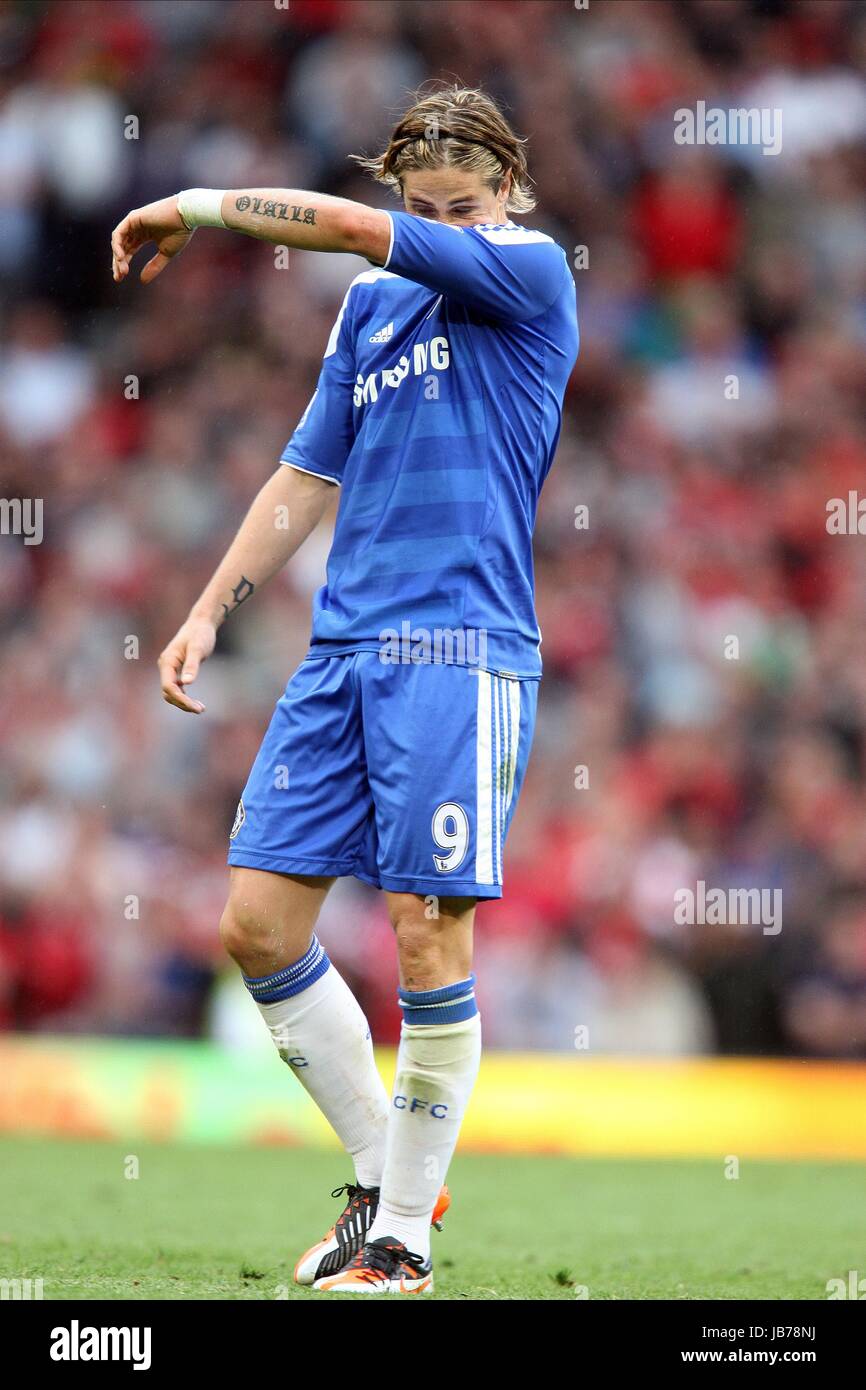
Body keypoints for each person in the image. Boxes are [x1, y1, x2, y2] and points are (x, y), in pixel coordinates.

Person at [111, 84, 578, 1295]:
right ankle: (388, 1175)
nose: (444, 225)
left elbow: (356, 229)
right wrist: (209, 608)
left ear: (506, 190)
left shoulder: (528, 271)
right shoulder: (369, 310)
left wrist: (193, 204)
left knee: (427, 928)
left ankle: (402, 1242)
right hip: (341, 651)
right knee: (256, 926)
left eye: (462, 205)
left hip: (458, 647)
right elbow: (306, 475)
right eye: (424, 206)